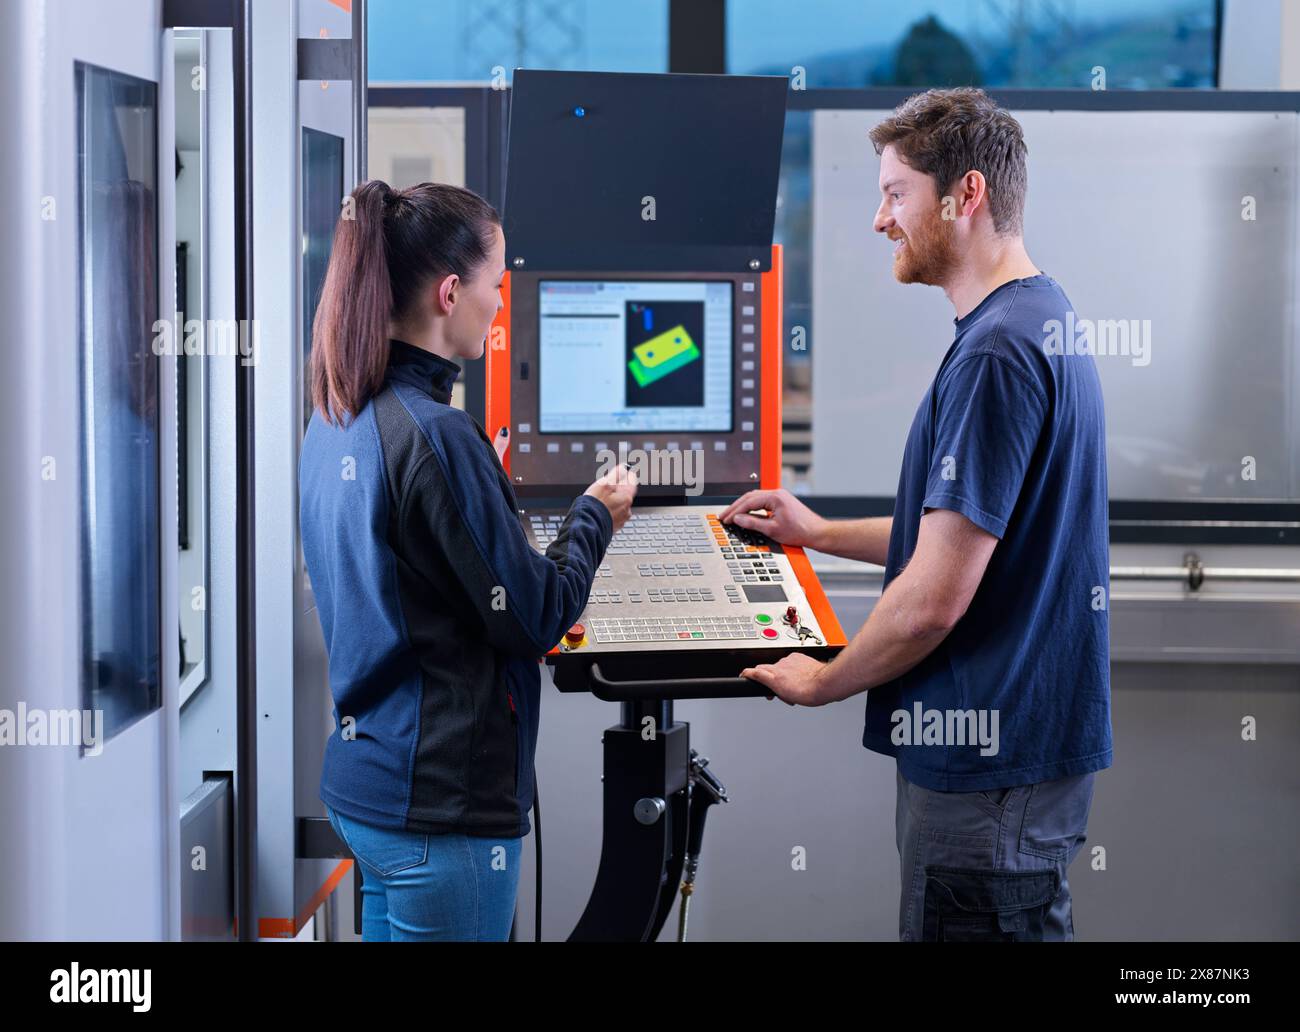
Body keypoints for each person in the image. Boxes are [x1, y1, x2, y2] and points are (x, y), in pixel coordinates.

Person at [725, 88, 1111, 942]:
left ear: (964, 195)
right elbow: (969, 541)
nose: (878, 220)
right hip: (1014, 768)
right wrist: (817, 533)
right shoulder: (1037, 319)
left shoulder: (999, 353)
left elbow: (936, 596)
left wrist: (822, 680)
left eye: (895, 193)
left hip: (986, 779)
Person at [299, 179, 636, 940]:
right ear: (451, 293)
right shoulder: (438, 437)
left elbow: (408, 571)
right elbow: (537, 616)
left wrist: (481, 496)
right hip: (441, 820)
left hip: (369, 799)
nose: (501, 303)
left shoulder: (338, 415)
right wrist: (596, 515)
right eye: (497, 284)